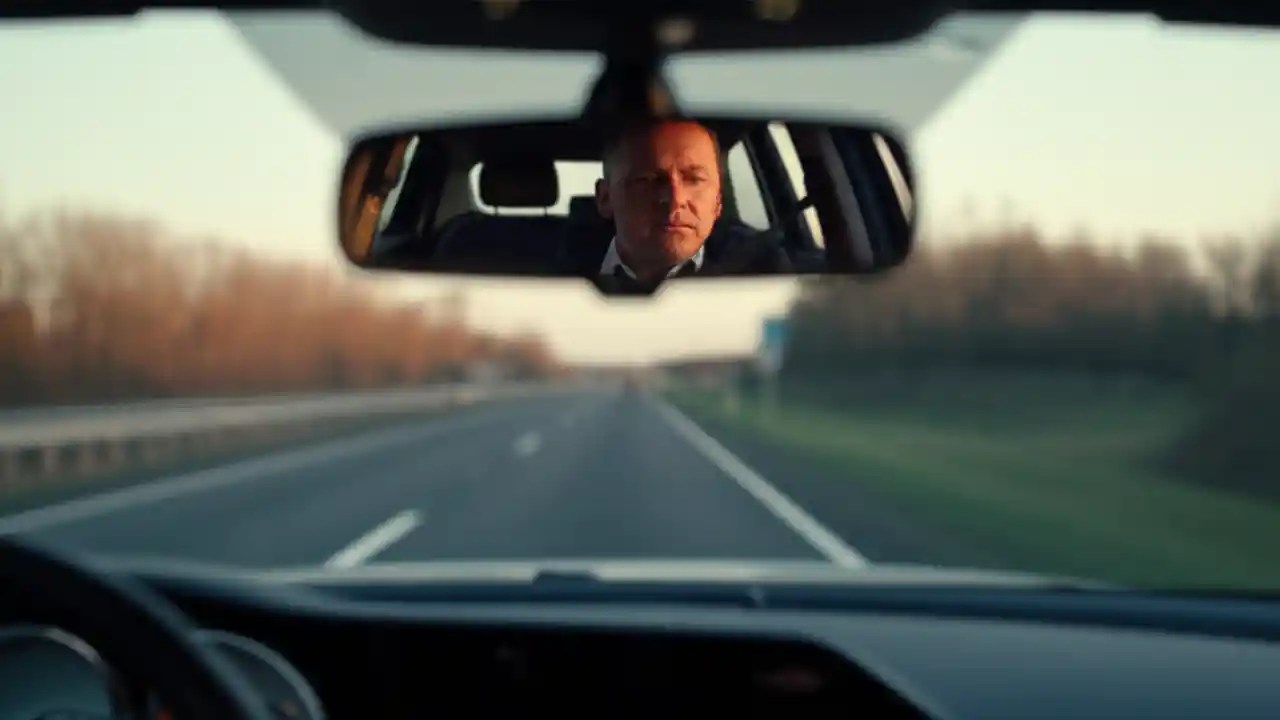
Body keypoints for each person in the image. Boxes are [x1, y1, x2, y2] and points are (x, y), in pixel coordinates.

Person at [558, 117, 791, 291]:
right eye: (647, 180)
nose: (675, 200)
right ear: (605, 198)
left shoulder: (760, 270)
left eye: (694, 179)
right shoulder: (550, 272)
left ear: (718, 201)